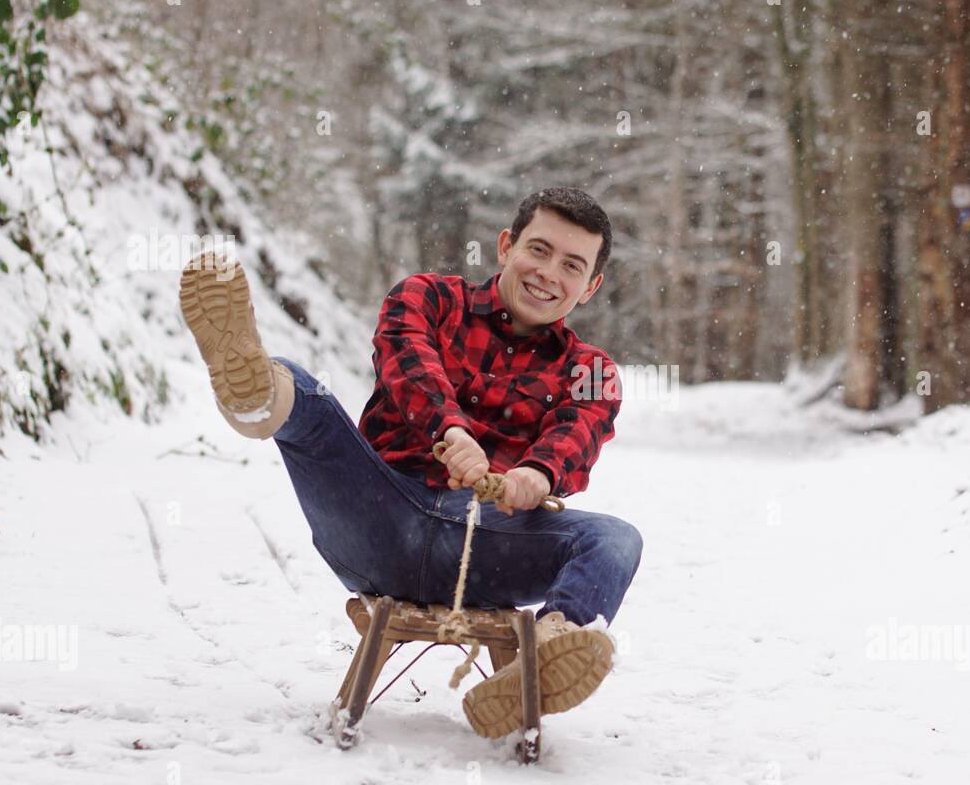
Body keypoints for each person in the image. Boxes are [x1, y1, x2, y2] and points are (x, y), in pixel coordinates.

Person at [177, 187, 643, 740]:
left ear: (590, 286)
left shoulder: (591, 370)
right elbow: (406, 361)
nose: (548, 273)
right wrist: (451, 429)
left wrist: (533, 477)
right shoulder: (427, 297)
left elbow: (578, 434)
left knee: (616, 539)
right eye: (538, 250)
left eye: (571, 265)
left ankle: (545, 656)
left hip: (488, 541)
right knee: (303, 389)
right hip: (378, 516)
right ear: (505, 246)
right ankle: (254, 393)